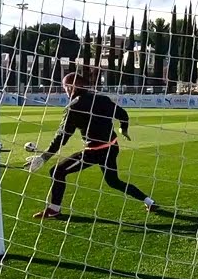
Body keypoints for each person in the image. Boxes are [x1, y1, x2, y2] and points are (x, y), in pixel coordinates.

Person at [25, 70, 156, 218]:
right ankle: (149, 201)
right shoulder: (102, 99)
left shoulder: (74, 107)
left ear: (70, 87)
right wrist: (123, 129)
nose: (65, 91)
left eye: (65, 87)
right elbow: (123, 114)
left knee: (57, 171)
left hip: (94, 152)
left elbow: (62, 136)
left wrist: (44, 157)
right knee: (113, 181)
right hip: (112, 147)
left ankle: (54, 209)